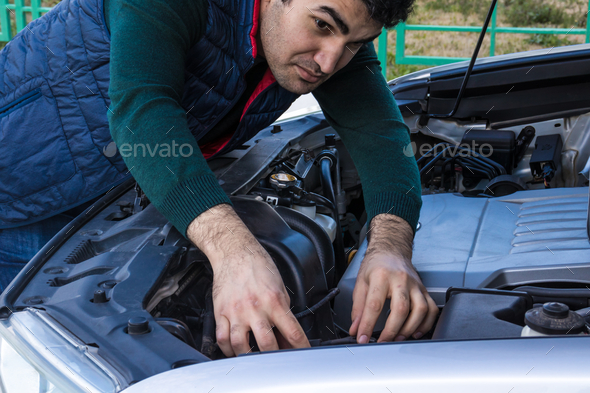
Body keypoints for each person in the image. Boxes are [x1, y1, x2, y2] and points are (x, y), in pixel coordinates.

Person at [0, 0, 438, 357]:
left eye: (355, 43)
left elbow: (382, 135)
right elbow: (144, 111)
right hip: (17, 201)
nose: (329, 61)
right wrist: (236, 253)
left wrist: (390, 249)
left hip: (110, 206)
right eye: (322, 25)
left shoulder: (327, 39)